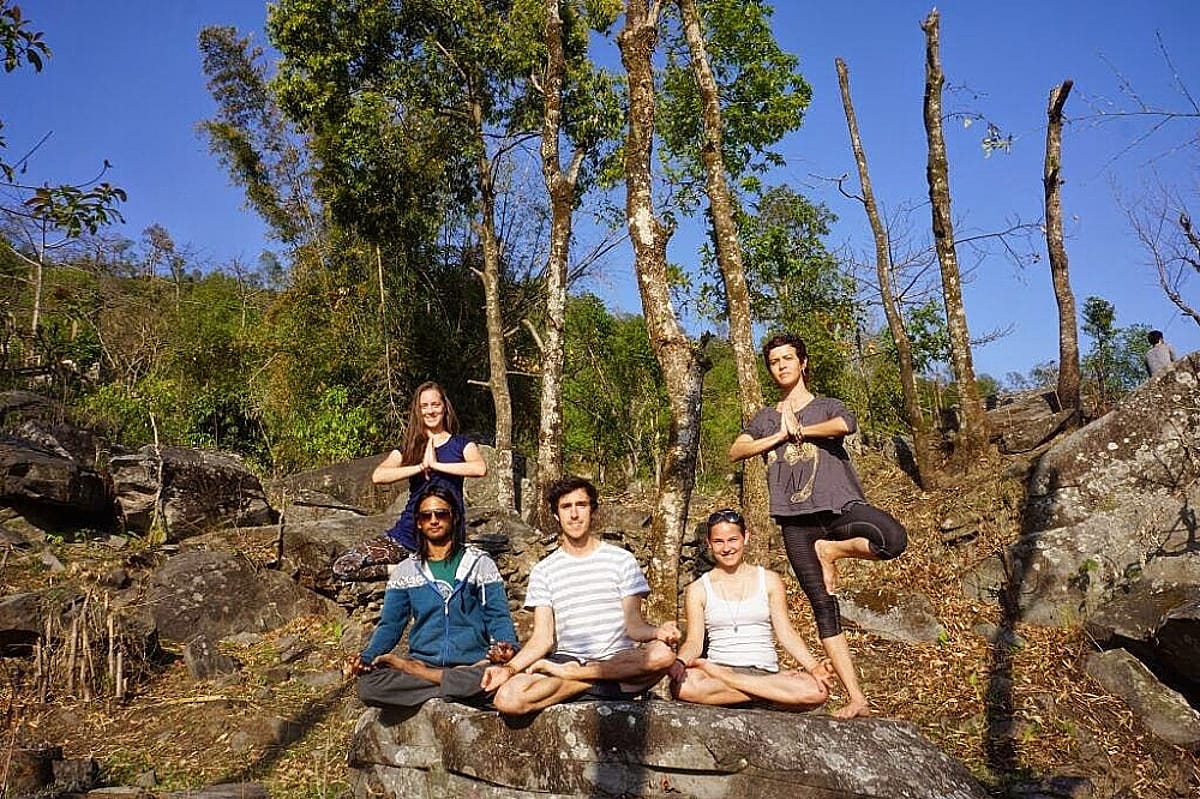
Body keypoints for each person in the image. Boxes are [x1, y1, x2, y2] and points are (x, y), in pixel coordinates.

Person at [729, 332, 907, 718]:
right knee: (823, 607)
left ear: (803, 363)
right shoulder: (764, 418)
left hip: (837, 507)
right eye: (775, 361)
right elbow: (736, 450)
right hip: (795, 523)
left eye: (788, 358)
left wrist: (802, 430)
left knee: (891, 539)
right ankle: (856, 698)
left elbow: (845, 425)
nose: (781, 366)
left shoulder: (826, 405)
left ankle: (832, 550)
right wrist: (778, 433)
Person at [482, 476, 680, 714]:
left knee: (663, 654)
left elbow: (634, 626)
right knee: (508, 699)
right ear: (556, 515)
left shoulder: (622, 560)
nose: (574, 515)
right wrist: (510, 669)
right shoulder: (544, 570)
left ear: (592, 511)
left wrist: (659, 632)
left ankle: (576, 677)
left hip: (617, 660)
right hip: (571, 660)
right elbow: (543, 638)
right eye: (566, 507)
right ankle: (595, 684)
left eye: (581, 505)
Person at [347, 483, 518, 709]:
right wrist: (367, 658)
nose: (434, 520)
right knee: (369, 686)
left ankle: (451, 687)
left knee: (497, 675)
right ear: (418, 522)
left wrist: (509, 648)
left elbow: (498, 616)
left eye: (441, 514)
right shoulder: (405, 570)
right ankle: (462, 691)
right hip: (422, 667)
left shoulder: (480, 563)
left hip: (472, 664)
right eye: (426, 516)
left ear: (454, 518)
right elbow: (390, 625)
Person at [669, 508, 833, 710]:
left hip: (761, 671)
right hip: (718, 671)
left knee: (817, 691)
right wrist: (680, 662)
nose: (727, 548)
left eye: (733, 540)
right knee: (684, 686)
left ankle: (744, 688)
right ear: (709, 544)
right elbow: (694, 641)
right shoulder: (698, 589)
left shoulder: (769, 580)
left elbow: (786, 633)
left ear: (745, 538)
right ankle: (767, 694)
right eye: (719, 542)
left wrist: (814, 667)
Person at [334, 381, 487, 581]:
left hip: (444, 539)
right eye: (425, 406)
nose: (430, 411)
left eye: (435, 404)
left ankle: (424, 566)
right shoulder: (409, 448)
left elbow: (480, 468)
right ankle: (410, 569)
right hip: (405, 537)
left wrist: (436, 465)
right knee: (344, 566)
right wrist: (420, 467)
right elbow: (378, 476)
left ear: (444, 407)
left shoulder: (461, 445)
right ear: (418, 411)